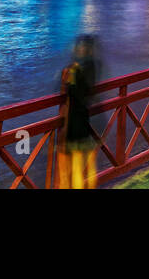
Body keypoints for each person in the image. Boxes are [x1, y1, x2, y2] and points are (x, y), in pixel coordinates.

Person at [59, 34, 100, 188]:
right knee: (89, 165)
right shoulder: (93, 66)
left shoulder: (78, 70)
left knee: (76, 167)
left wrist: (69, 80)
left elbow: (74, 92)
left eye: (81, 47)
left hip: (75, 122)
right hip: (87, 119)